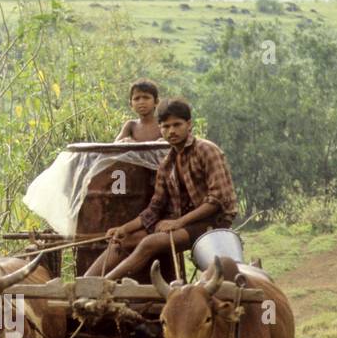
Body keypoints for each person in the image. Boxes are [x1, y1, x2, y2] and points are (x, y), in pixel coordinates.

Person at [85, 99, 237, 280]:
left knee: (150, 242)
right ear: (160, 128)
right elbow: (155, 208)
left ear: (189, 125)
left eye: (177, 125)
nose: (171, 131)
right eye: (165, 126)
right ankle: (84, 283)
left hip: (212, 224)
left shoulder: (206, 150)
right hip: (183, 224)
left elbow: (217, 200)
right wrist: (124, 228)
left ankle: (103, 285)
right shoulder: (166, 163)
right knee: (121, 241)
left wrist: (179, 222)